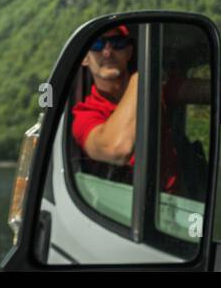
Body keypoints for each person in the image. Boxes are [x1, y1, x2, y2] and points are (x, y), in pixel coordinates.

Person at [70, 25, 186, 193]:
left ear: (129, 52)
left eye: (117, 43)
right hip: (127, 214)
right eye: (97, 44)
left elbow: (199, 91)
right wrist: (143, 78)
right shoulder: (85, 115)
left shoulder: (156, 89)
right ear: (84, 58)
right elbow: (117, 149)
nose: (107, 52)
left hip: (177, 204)